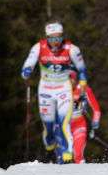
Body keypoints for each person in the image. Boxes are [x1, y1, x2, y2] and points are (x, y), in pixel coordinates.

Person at [21, 22, 88, 163]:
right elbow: (29, 62)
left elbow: (81, 68)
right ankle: (49, 140)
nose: (56, 43)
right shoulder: (39, 47)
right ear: (47, 38)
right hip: (45, 90)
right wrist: (26, 71)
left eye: (58, 39)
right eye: (52, 39)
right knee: (49, 125)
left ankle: (68, 151)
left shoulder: (72, 49)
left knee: (65, 123)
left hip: (63, 89)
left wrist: (82, 82)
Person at [68, 69, 101, 163]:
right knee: (64, 155)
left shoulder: (83, 89)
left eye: (71, 79)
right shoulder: (59, 90)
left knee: (78, 153)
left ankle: (82, 173)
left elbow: (96, 109)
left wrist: (95, 122)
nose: (69, 82)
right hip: (63, 127)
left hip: (79, 124)